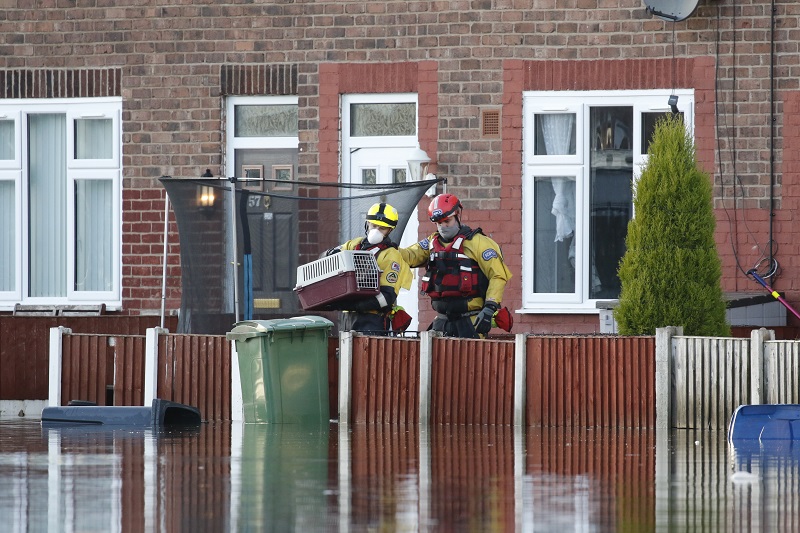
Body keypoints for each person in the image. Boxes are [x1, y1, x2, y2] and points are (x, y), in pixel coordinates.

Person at [399, 193, 512, 338]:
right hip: (441, 320)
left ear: (458, 214)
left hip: (470, 320)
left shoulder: (479, 243)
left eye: (447, 221)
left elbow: (498, 275)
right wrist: (387, 247)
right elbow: (409, 256)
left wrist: (490, 307)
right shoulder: (431, 243)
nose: (443, 227)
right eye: (439, 223)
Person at [325, 202, 413, 335]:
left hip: (373, 320)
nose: (376, 230)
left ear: (390, 230)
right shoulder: (355, 244)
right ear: (367, 224)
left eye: (382, 228)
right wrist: (330, 255)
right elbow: (327, 257)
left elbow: (387, 296)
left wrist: (356, 305)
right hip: (347, 319)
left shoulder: (391, 255)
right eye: (374, 225)